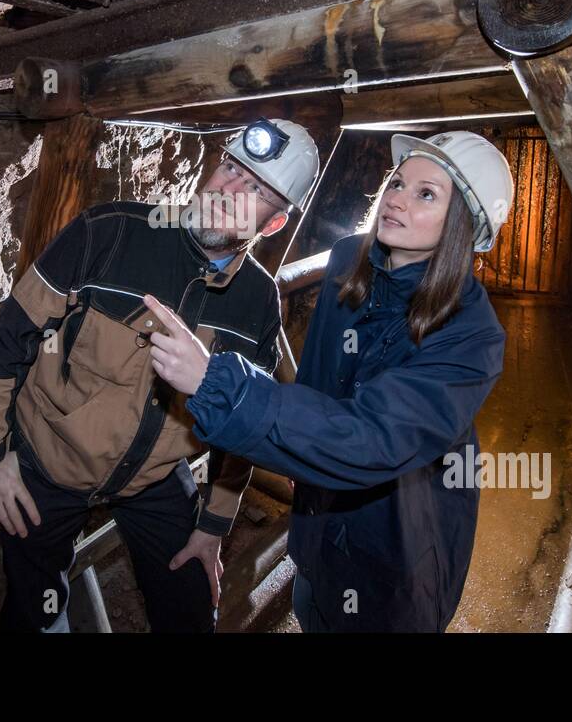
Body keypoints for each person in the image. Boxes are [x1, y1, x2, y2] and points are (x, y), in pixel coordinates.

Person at [145, 130, 513, 632]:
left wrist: (216, 382)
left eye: (426, 193)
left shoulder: (470, 337)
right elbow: (317, 384)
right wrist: (302, 455)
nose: (398, 199)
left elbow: (373, 440)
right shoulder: (347, 263)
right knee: (312, 608)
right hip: (319, 526)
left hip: (397, 555)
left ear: (463, 225)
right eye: (398, 183)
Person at [0, 118, 320, 632]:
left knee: (192, 606)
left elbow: (240, 427)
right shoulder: (108, 232)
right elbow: (7, 341)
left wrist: (214, 527)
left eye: (258, 190)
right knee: (33, 616)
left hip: (153, 476)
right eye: (231, 167)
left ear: (272, 225)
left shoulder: (259, 302)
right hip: (51, 455)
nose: (230, 189)